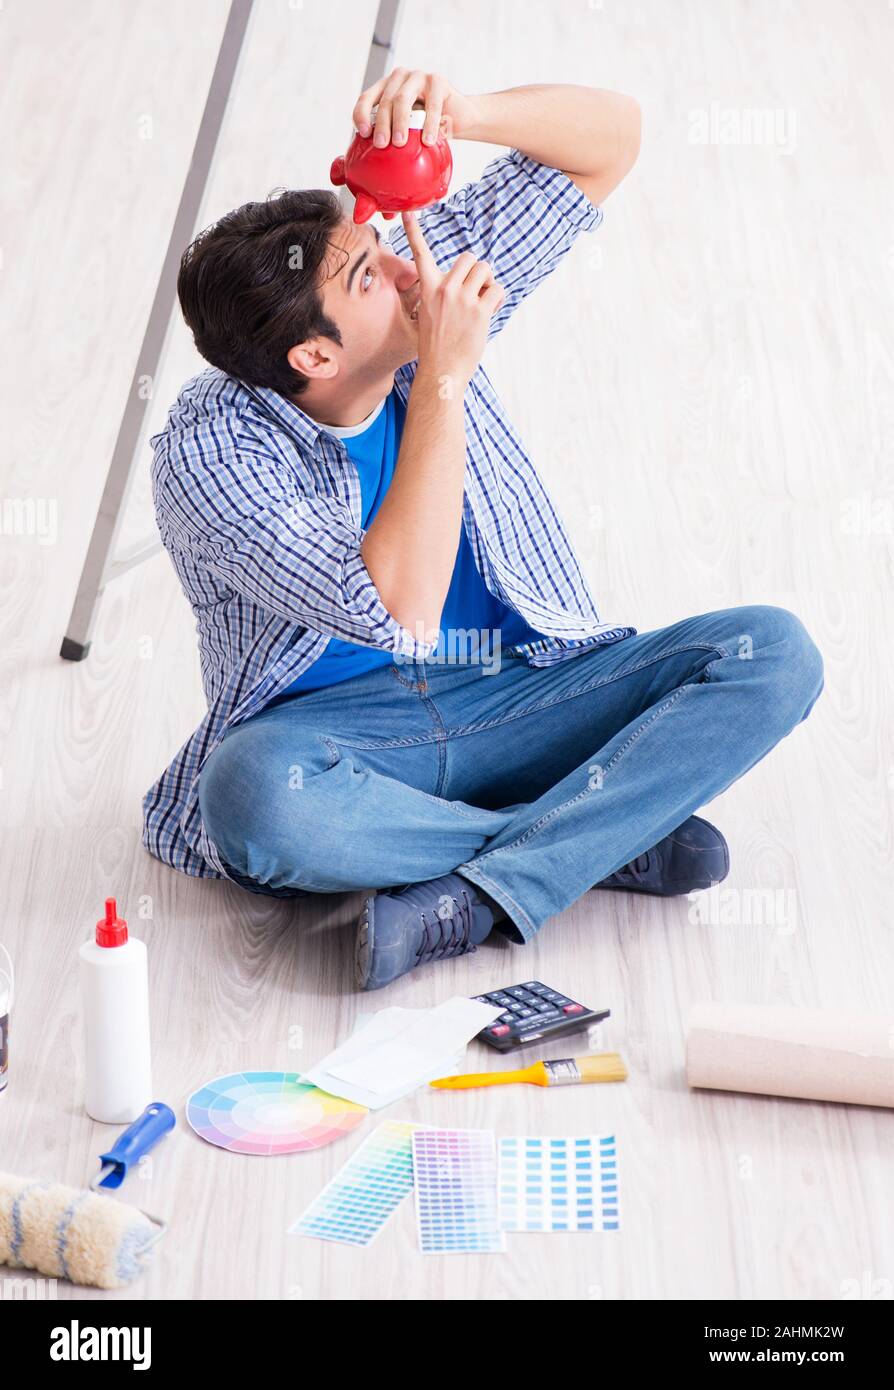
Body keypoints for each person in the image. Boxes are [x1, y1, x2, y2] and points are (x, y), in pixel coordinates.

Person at [143, 70, 824, 990]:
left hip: (514, 693)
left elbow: (613, 137)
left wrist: (463, 116)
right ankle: (584, 839)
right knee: (254, 801)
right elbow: (404, 608)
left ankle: (488, 880)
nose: (402, 264)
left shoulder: (418, 290)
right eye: (366, 273)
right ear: (315, 356)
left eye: (377, 243)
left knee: (772, 651)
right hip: (340, 742)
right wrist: (446, 377)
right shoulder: (211, 452)